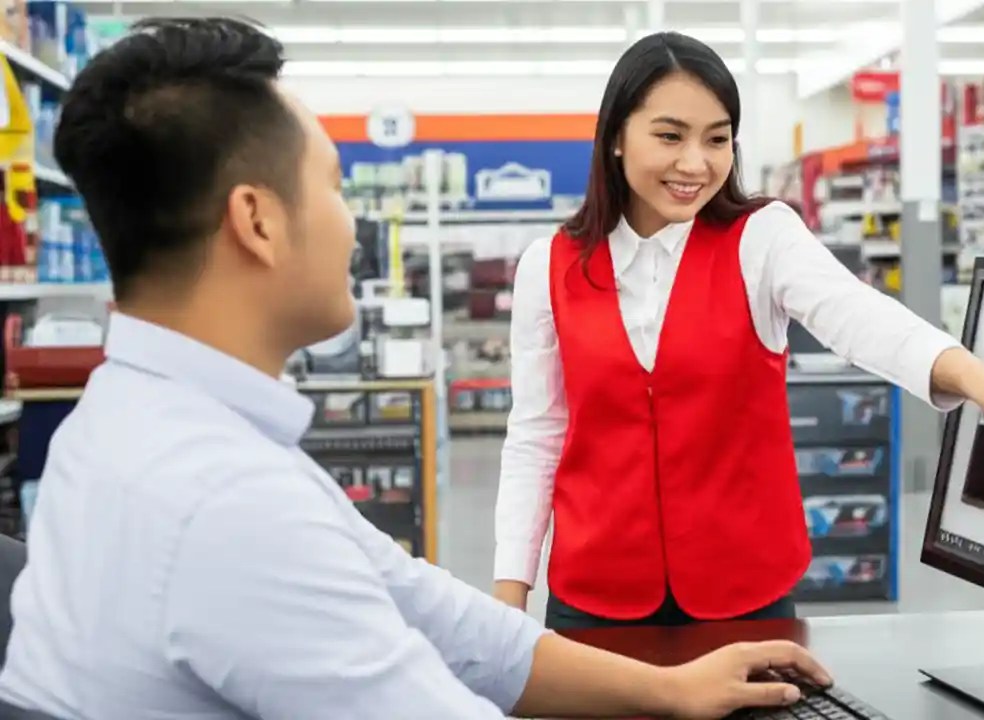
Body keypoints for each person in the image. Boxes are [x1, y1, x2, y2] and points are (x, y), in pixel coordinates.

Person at [0, 18, 833, 720]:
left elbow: (424, 606)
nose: (354, 227)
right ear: (255, 222)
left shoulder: (127, 424)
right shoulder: (228, 505)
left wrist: (665, 691)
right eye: (332, 186)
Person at [491, 31, 984, 629]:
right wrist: (508, 596)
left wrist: (975, 376)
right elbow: (537, 435)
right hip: (596, 597)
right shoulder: (550, 267)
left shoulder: (759, 238)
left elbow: (858, 317)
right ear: (616, 138)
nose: (695, 163)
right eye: (670, 135)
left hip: (743, 598)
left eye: (718, 139)